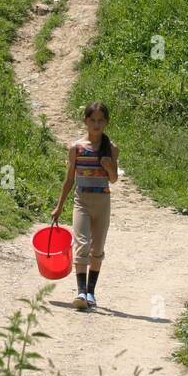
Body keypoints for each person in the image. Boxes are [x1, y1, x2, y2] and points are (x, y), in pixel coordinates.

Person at [52, 101, 119, 310]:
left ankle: (91, 292)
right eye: (92, 120)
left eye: (100, 120)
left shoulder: (111, 148)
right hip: (81, 201)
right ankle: (80, 292)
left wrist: (109, 167)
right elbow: (69, 180)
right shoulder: (77, 148)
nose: (96, 124)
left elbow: (114, 179)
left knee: (97, 248)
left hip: (102, 202)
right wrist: (59, 205)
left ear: (106, 122)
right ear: (85, 121)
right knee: (82, 244)